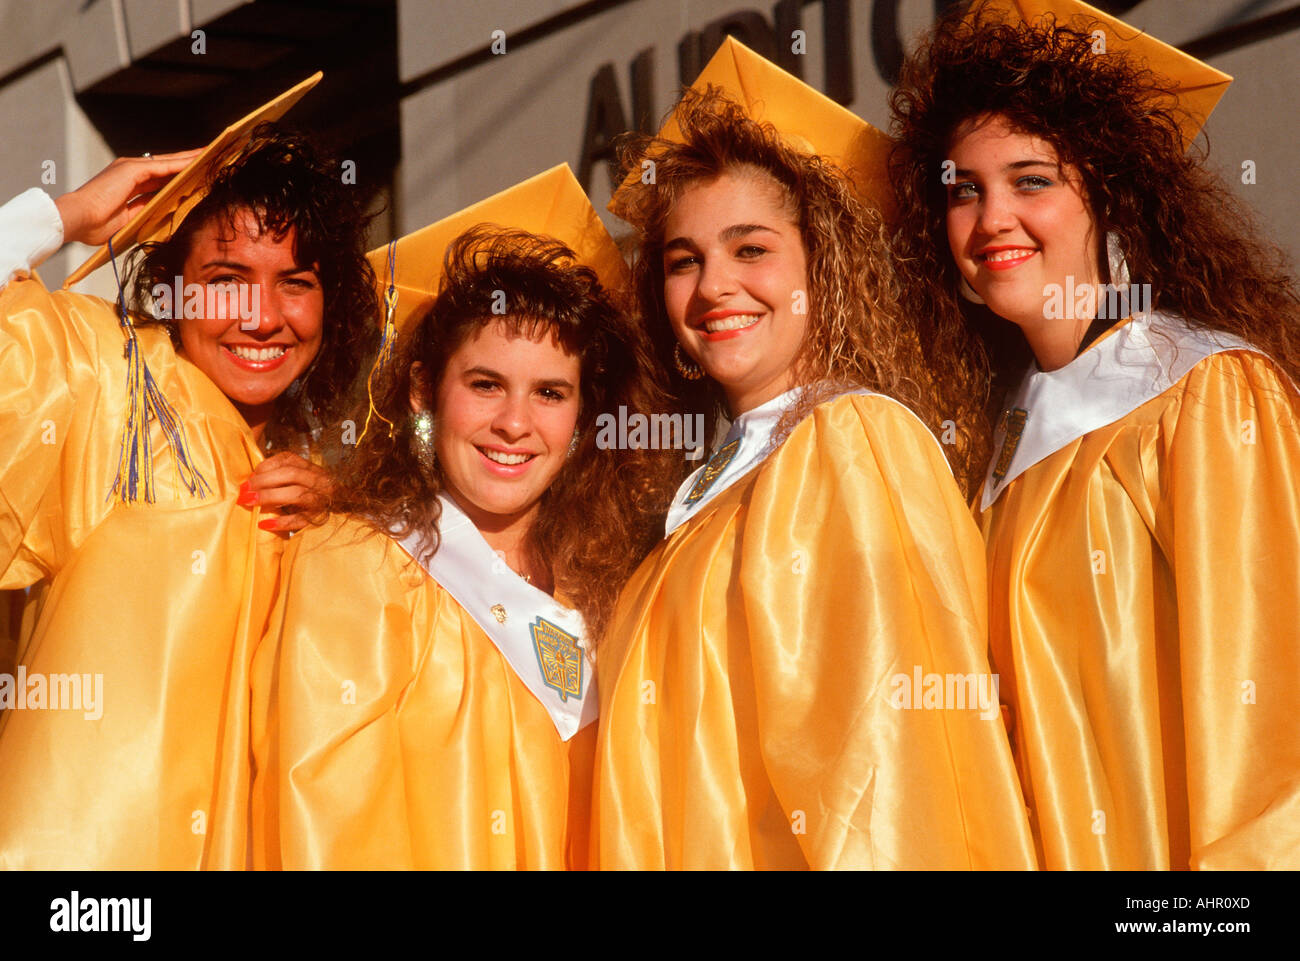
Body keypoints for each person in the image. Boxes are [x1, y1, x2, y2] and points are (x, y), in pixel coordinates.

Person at [590, 38, 1036, 870]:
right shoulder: (704, 485)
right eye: (684, 260)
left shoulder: (850, 443)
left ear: (822, 269)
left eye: (751, 248)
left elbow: (887, 777)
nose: (714, 285)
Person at [889, 0, 1300, 868]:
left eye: (1031, 180)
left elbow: (1274, 739)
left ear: (1107, 195)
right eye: (965, 190)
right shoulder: (984, 463)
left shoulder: (1204, 395)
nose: (993, 216)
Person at [0, 75, 381, 868]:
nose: (262, 316)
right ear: (171, 290)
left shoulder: (315, 476)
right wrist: (62, 215)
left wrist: (349, 527)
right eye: (226, 280)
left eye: (296, 282)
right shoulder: (103, 375)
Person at [250, 166, 675, 869]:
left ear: (581, 418)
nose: (515, 422)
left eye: (549, 393)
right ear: (424, 390)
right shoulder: (360, 565)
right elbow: (323, 826)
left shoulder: (605, 594)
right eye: (485, 385)